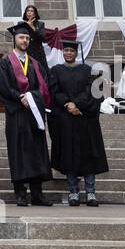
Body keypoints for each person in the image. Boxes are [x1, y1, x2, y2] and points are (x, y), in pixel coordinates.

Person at [0, 22, 54, 206]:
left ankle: (37, 193)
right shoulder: (5, 62)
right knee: (19, 151)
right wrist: (19, 97)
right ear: (14, 39)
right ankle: (20, 193)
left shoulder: (35, 63)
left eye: (27, 38)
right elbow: (2, 87)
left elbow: (44, 87)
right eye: (22, 37)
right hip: (17, 113)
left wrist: (32, 97)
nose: (25, 40)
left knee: (37, 151)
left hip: (34, 114)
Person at [48, 38, 108, 206]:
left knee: (88, 156)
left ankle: (91, 193)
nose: (69, 53)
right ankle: (73, 191)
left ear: (76, 53)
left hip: (84, 119)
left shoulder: (88, 70)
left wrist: (77, 104)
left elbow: (92, 91)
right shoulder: (56, 70)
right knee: (69, 156)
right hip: (66, 120)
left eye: (72, 51)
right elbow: (54, 91)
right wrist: (68, 104)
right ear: (63, 52)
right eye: (66, 50)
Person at [21, 4, 51, 78]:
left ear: (35, 13)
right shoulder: (21, 24)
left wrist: (33, 28)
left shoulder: (40, 24)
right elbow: (19, 37)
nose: (29, 12)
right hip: (26, 52)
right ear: (25, 13)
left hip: (38, 52)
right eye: (28, 11)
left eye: (32, 11)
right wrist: (26, 26)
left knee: (41, 73)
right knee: (27, 73)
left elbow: (43, 39)